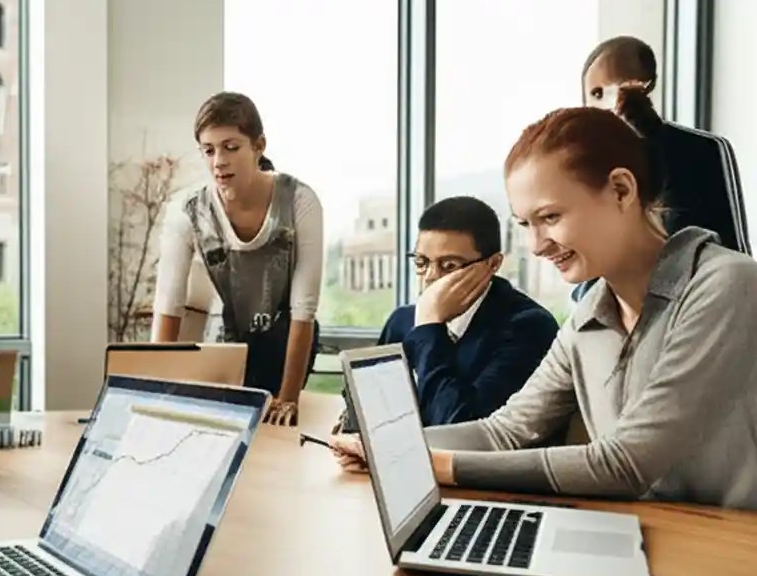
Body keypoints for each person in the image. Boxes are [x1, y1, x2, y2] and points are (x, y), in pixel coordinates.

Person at [329, 106, 757, 510]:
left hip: (728, 553)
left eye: (550, 217)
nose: (536, 246)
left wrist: (428, 464)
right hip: (643, 534)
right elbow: (504, 431)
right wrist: (384, 448)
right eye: (525, 225)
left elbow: (625, 464)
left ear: (621, 190)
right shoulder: (588, 314)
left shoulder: (725, 284)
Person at [152, 92, 323, 426]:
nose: (219, 160)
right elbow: (168, 306)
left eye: (231, 147)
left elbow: (305, 308)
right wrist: (156, 391)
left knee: (274, 431)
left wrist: (288, 398)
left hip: (286, 338)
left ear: (258, 146)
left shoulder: (300, 201)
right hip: (226, 340)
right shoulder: (187, 210)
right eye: (209, 150)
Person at [338, 196, 557, 431]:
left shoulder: (529, 328)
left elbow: (462, 430)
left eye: (450, 265)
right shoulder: (401, 320)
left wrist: (429, 327)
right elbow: (364, 411)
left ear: (493, 264)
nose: (430, 276)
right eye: (422, 262)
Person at [581, 36, 748, 253]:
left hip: (698, 282)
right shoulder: (584, 163)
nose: (606, 103)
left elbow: (732, 254)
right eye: (595, 94)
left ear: (648, 86)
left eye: (601, 93)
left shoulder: (702, 149)